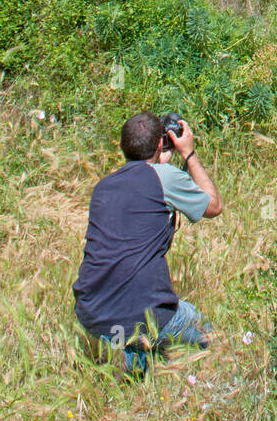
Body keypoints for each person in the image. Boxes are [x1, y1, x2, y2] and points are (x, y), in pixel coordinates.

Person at [73, 111, 222, 372]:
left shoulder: (102, 187)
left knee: (132, 335)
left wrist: (159, 163)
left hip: (91, 313)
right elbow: (214, 205)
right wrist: (188, 153)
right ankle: (136, 354)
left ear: (122, 146)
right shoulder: (163, 177)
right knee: (210, 336)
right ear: (160, 144)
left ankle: (127, 356)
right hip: (146, 313)